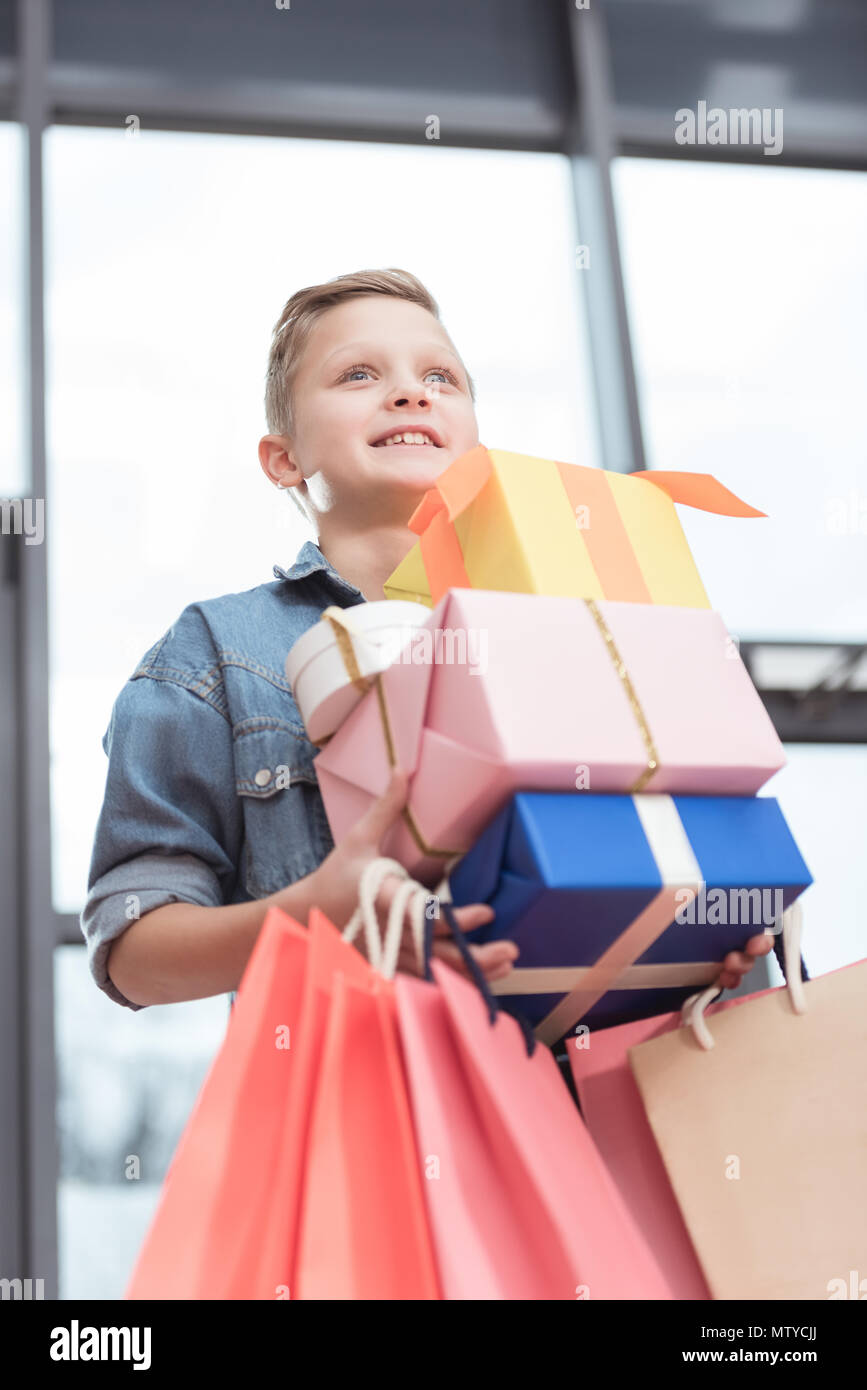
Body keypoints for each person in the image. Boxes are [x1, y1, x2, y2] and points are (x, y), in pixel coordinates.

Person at [80, 267, 771, 1017]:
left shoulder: (582, 627)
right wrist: (318, 916)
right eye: (357, 374)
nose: (412, 393)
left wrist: (695, 936)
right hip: (360, 1103)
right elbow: (134, 954)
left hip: (584, 1108)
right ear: (283, 459)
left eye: (439, 375)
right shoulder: (219, 651)